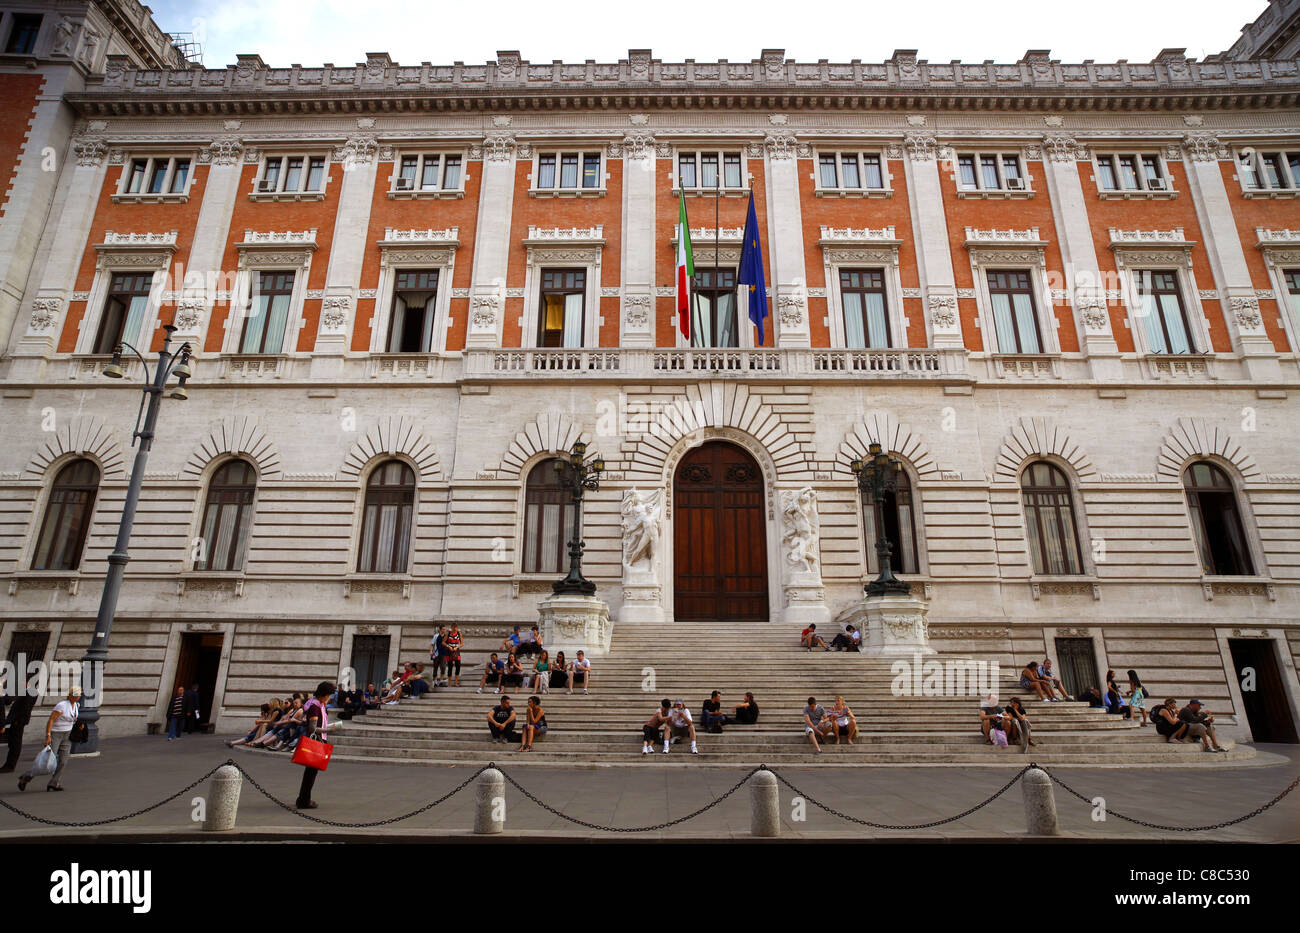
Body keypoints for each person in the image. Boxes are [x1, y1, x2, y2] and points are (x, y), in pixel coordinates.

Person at [18, 685, 80, 792]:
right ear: (69, 695)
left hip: (67, 735)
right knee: (46, 762)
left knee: (63, 761)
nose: (77, 697)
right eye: (75, 695)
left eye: (79, 695)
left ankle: (54, 783)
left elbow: (72, 719)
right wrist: (48, 736)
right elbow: (51, 720)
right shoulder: (61, 706)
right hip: (56, 734)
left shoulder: (76, 705)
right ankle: (26, 777)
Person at [294, 681, 334, 810]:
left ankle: (303, 798)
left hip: (317, 740)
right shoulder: (315, 707)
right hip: (316, 742)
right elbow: (312, 728)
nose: (330, 697)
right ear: (324, 694)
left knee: (310, 773)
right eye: (329, 695)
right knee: (310, 774)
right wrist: (329, 730)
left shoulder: (316, 704)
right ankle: (304, 801)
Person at [1, 686, 37, 773]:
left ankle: (10, 765)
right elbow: (9, 701)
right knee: (13, 742)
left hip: (18, 721)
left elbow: (26, 708)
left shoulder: (30, 691)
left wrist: (18, 721)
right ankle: (9, 764)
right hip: (16, 720)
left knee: (15, 743)